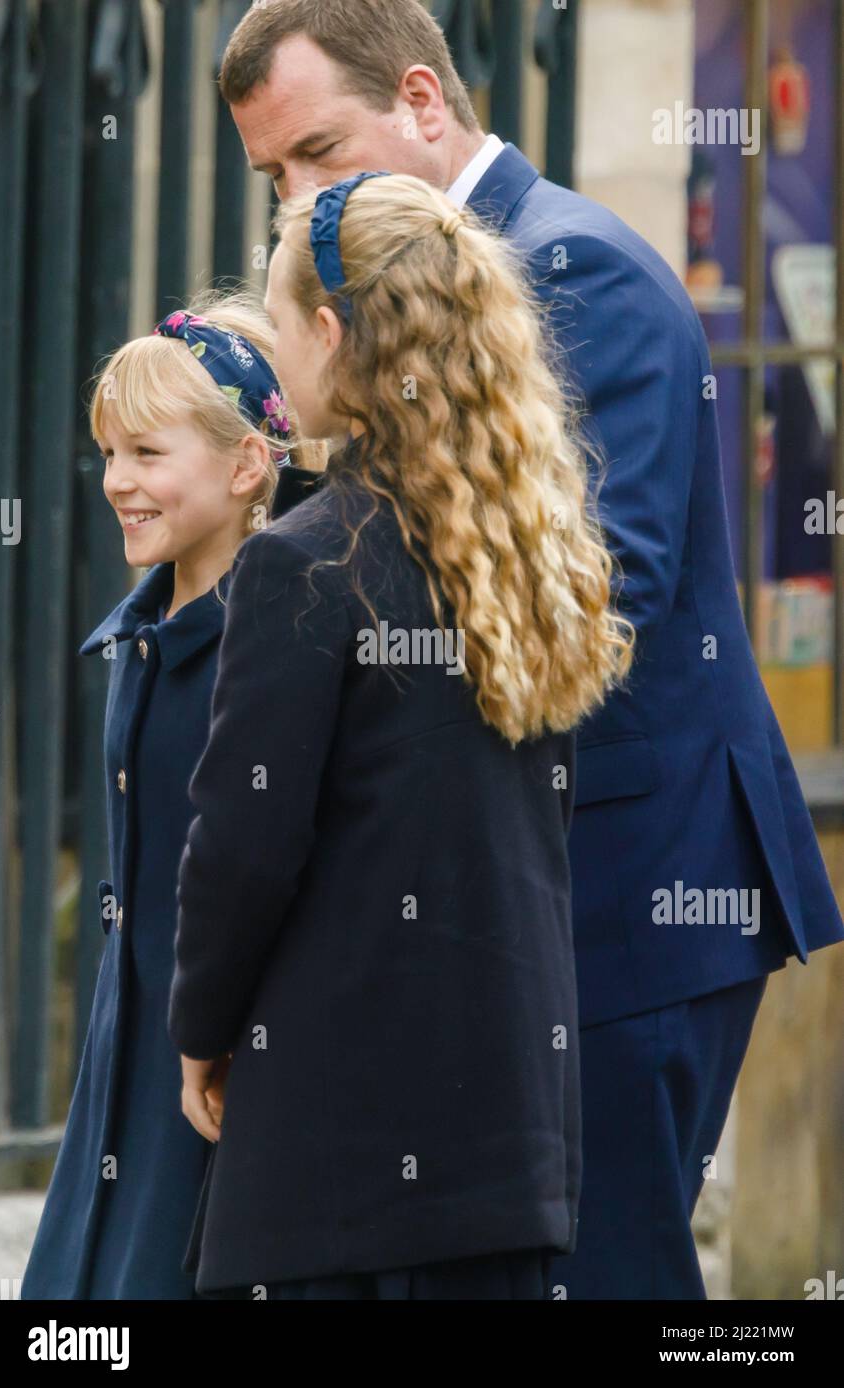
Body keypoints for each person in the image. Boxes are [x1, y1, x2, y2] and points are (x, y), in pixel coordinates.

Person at [215, 0, 844, 1299]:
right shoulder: (427, 295)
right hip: (542, 910)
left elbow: (589, 601)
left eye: (322, 155)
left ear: (425, 104)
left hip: (623, 898)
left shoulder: (566, 269)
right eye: (276, 176)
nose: (297, 202)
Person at [167, 172, 634, 1300]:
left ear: (330, 335)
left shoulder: (302, 558)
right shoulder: (527, 549)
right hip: (506, 1133)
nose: (273, 350)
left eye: (277, 324)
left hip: (340, 1151)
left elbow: (243, 846)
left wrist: (202, 1029)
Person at [20, 291, 323, 1299]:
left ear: (246, 467)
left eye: (147, 454)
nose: (116, 482)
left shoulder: (266, 643)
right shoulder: (141, 630)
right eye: (108, 454)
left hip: (216, 1075)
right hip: (123, 1063)